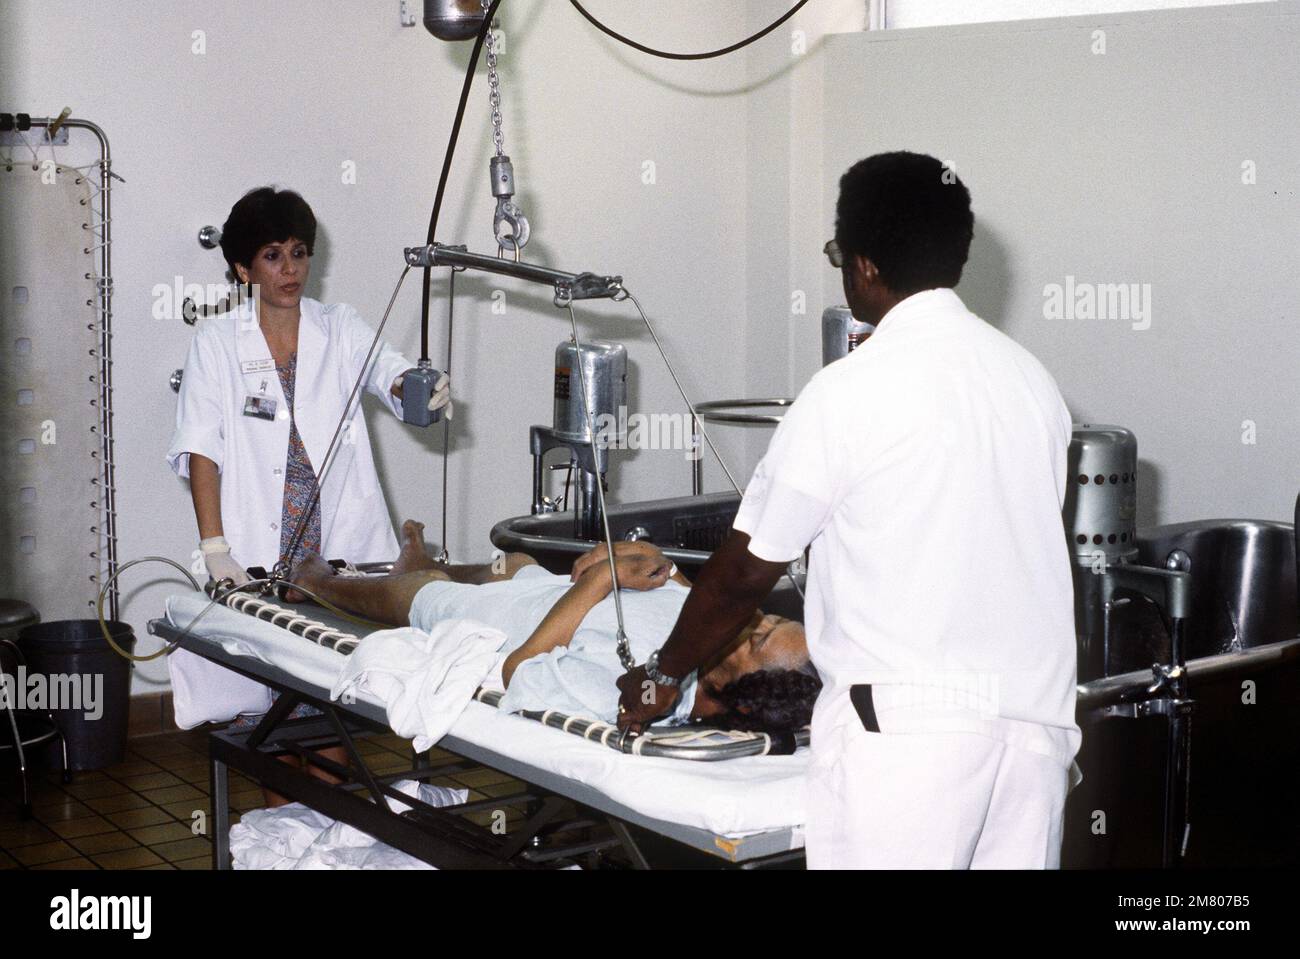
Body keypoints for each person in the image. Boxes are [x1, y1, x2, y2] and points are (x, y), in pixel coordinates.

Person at [613, 152, 1082, 869]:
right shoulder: (1033, 385)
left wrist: (662, 673)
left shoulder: (848, 391)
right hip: (1034, 743)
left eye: (838, 255)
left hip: (908, 749)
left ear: (863, 266)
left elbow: (742, 575)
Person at [166, 187, 451, 801]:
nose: (290, 269)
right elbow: (201, 450)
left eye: (298, 252)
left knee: (328, 709)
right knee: (270, 724)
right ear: (243, 269)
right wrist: (215, 548)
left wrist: (415, 387)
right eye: (272, 256)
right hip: (257, 558)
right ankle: (283, 841)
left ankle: (325, 843)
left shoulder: (338, 327)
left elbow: (388, 373)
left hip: (335, 554)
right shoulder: (217, 342)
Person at [287, 522, 820, 733]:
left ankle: (315, 583)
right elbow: (667, 576)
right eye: (769, 616)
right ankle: (428, 565)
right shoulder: (703, 636)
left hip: (496, 619)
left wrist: (600, 583)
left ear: (735, 694)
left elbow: (520, 667)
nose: (751, 620)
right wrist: (630, 556)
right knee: (513, 561)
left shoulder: (648, 692)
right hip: (539, 588)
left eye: (758, 637)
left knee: (422, 594)